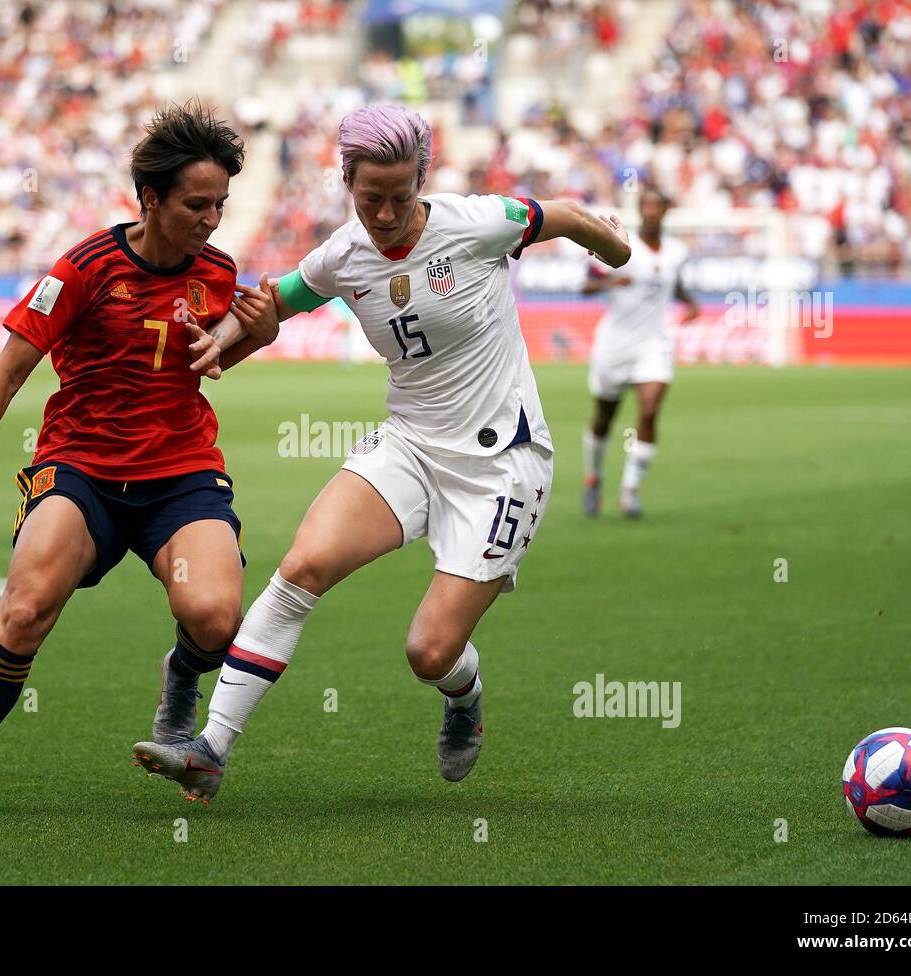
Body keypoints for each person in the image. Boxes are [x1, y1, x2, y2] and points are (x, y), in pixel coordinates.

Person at [131, 104, 630, 803]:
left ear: (421, 180)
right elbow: (274, 309)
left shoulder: (478, 223)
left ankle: (465, 698)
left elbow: (568, 213)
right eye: (371, 199)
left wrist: (620, 253)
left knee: (430, 652)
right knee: (302, 566)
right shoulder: (341, 256)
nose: (387, 214)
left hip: (500, 462)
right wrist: (220, 348)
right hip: (410, 444)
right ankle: (210, 750)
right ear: (346, 182)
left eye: (400, 197)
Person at [0, 101, 278, 816]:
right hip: (82, 470)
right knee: (26, 608)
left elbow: (211, 361)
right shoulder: (86, 267)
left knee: (217, 620)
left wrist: (258, 335)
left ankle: (181, 675)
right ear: (150, 199)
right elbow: (5, 373)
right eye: (197, 204)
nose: (212, 219)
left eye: (220, 203)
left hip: (181, 474)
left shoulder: (217, 272)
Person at [581, 187, 699, 518]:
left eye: (656, 205)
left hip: (654, 344)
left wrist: (690, 303)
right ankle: (594, 477)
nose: (650, 211)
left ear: (665, 211)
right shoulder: (618, 245)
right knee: (604, 418)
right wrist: (611, 284)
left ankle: (630, 491)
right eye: (645, 205)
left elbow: (671, 282)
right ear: (639, 209)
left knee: (648, 411)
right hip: (615, 345)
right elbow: (586, 285)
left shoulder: (676, 251)